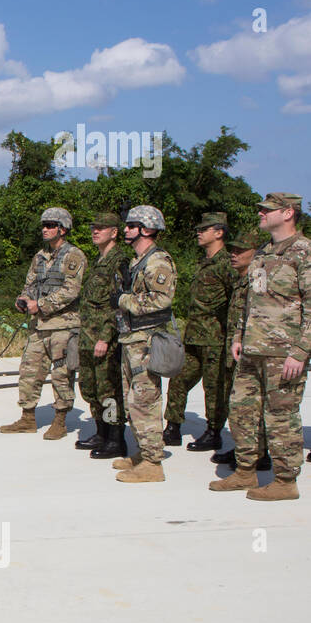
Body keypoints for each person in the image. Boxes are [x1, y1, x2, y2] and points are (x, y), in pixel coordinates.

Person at [210, 193, 309, 501]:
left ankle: (285, 480)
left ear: (288, 213)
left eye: (268, 210)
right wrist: (239, 335)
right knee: (242, 412)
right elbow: (251, 299)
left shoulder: (303, 251)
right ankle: (245, 471)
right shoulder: (264, 251)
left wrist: (301, 350)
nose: (261, 214)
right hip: (252, 348)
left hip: (284, 352)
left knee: (281, 416)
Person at [0, 207, 86, 438]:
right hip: (38, 326)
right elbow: (29, 284)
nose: (45, 229)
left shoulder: (73, 256)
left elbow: (71, 291)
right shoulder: (39, 256)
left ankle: (60, 421)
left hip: (62, 326)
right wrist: (24, 299)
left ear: (63, 229)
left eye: (50, 225)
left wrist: (43, 305)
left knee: (61, 374)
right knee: (29, 370)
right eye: (43, 225)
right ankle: (27, 418)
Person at [110, 205, 176, 483]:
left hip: (147, 340)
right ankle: (143, 451)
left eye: (131, 225)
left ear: (147, 229)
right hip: (132, 338)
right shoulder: (138, 261)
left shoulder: (157, 262)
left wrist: (123, 300)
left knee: (145, 400)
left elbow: (162, 300)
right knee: (132, 400)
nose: (126, 229)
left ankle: (153, 462)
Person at [164, 213, 236, 450]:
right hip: (194, 335)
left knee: (215, 388)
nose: (199, 232)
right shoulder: (203, 262)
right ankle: (173, 426)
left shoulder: (227, 263)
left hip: (215, 339)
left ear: (219, 232)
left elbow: (235, 301)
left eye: (204, 229)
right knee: (178, 379)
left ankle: (214, 432)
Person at [211, 228, 271, 471]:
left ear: (254, 254)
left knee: (253, 406)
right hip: (235, 349)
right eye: (232, 250)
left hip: (252, 350)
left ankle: (261, 453)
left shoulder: (258, 279)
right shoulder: (239, 280)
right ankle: (244, 449)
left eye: (240, 251)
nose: (233, 255)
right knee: (239, 406)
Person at [75, 213, 132, 458]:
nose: (95, 231)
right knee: (89, 387)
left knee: (108, 391)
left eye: (101, 228)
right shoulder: (99, 261)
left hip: (103, 340)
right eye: (93, 227)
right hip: (88, 337)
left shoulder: (119, 262)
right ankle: (100, 431)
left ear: (114, 232)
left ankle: (115, 438)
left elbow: (117, 305)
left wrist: (106, 337)